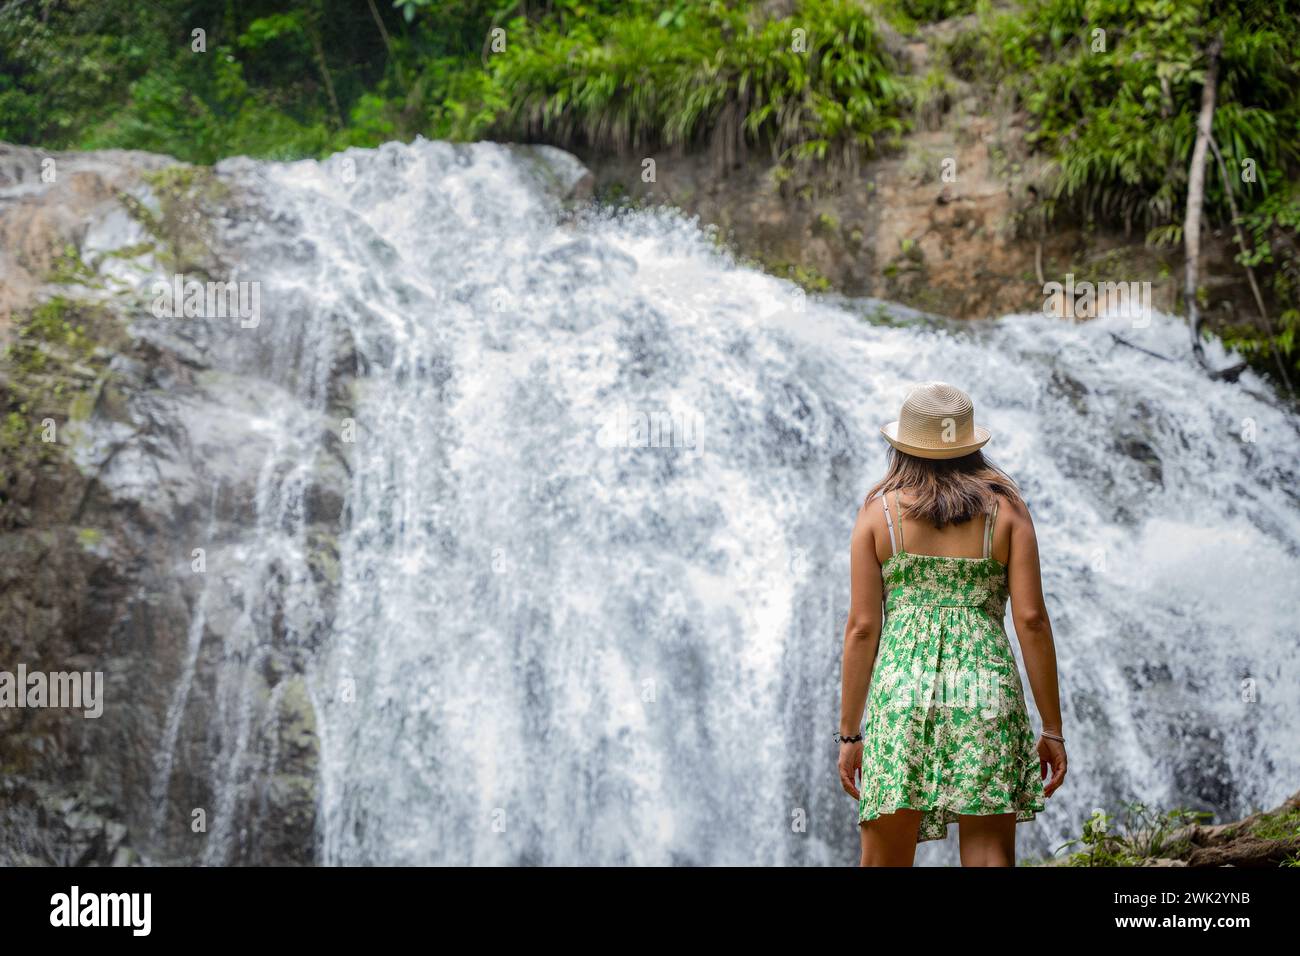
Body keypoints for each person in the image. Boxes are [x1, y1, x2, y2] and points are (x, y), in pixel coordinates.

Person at [835, 381, 1066, 866]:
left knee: (883, 860)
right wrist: (1052, 729)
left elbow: (861, 627)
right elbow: (1031, 620)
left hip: (903, 692)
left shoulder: (879, 515)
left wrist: (850, 734)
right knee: (988, 856)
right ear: (969, 445)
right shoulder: (1006, 511)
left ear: (902, 447)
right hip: (985, 688)